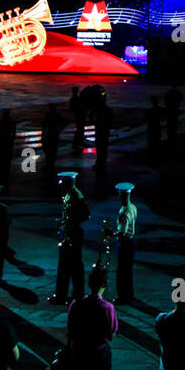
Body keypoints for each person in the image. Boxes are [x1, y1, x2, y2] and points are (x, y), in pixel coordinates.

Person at [48, 173, 90, 305]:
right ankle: (61, 294)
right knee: (64, 266)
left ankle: (77, 295)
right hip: (68, 234)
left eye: (63, 182)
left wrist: (72, 222)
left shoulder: (76, 196)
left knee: (75, 266)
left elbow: (85, 214)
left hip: (74, 234)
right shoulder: (68, 194)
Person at [114, 182, 136, 304]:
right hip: (131, 241)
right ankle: (129, 294)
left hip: (125, 243)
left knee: (122, 270)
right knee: (128, 270)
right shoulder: (133, 207)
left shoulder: (124, 212)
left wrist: (111, 234)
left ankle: (123, 296)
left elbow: (122, 233)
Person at [0, 110, 17, 188]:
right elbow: (13, 133)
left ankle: (2, 173)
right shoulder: (11, 122)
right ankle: (5, 173)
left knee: (3, 158)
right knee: (6, 158)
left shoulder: (1, 122)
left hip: (3, 141)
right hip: (7, 141)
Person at [42, 103, 64, 180]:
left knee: (49, 152)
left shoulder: (48, 116)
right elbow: (65, 122)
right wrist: (59, 129)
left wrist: (43, 137)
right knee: (53, 152)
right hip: (54, 135)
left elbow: (44, 127)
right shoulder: (56, 116)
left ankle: (49, 166)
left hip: (49, 136)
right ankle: (51, 166)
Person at [93, 102, 112, 190]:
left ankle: (99, 163)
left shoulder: (98, 109)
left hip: (100, 129)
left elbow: (91, 115)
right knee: (103, 148)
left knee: (99, 147)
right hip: (104, 130)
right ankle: (101, 163)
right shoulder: (107, 109)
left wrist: (95, 123)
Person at [70, 86, 87, 153]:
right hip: (79, 115)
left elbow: (72, 109)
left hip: (78, 115)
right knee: (80, 130)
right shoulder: (77, 99)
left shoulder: (74, 99)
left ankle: (78, 143)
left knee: (79, 130)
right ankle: (78, 143)